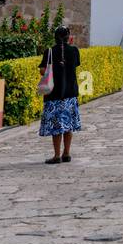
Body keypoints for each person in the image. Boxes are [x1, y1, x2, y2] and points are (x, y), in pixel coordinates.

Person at [39, 26, 81, 163]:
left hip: (54, 95)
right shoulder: (74, 51)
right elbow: (75, 65)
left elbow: (42, 71)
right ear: (69, 37)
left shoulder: (49, 51)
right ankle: (66, 153)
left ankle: (56, 155)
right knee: (68, 125)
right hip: (70, 94)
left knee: (56, 127)